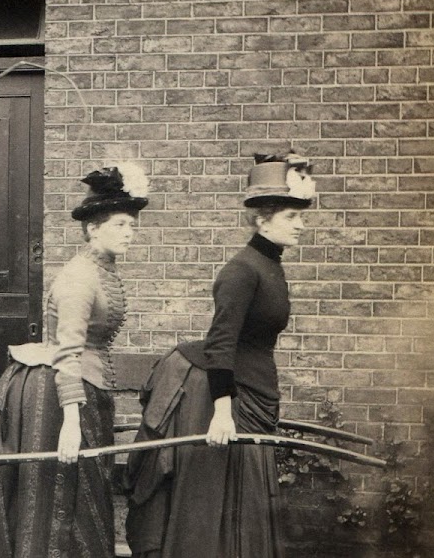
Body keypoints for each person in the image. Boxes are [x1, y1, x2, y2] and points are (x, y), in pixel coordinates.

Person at [0, 163, 150, 558]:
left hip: (82, 390)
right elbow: (68, 352)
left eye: (132, 226)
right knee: (54, 501)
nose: (129, 233)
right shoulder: (80, 278)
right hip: (58, 399)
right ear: (93, 228)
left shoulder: (101, 271)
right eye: (120, 224)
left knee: (72, 497)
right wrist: (70, 424)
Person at [123, 153, 316, 558]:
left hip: (256, 389)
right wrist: (222, 411)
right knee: (218, 506)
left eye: (302, 216)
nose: (302, 224)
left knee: (244, 505)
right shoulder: (242, 270)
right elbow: (220, 343)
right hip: (233, 396)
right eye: (291, 216)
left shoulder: (269, 265)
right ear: (263, 219)